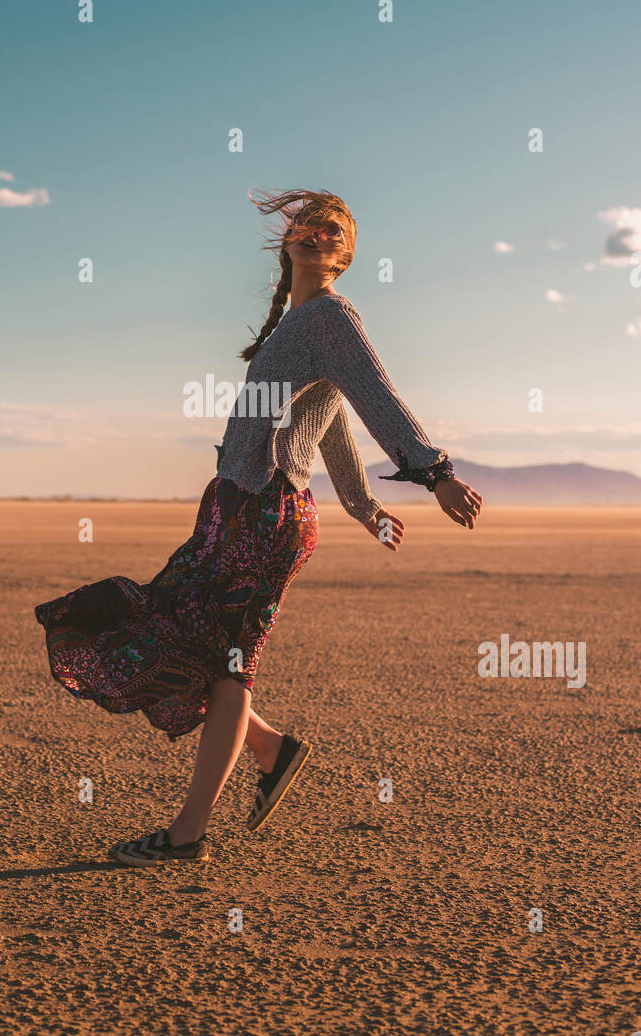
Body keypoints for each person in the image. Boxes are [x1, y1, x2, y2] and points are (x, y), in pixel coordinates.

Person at [34, 189, 482, 866]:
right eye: (307, 224)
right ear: (288, 243)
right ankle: (272, 750)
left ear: (347, 254)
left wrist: (433, 471)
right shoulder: (296, 326)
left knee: (224, 664)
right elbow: (326, 421)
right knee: (175, 634)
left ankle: (186, 836)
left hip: (263, 514)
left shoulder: (331, 315)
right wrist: (362, 508)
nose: (317, 233)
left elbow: (377, 399)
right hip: (234, 509)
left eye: (333, 229)